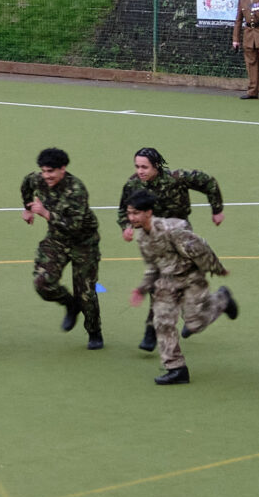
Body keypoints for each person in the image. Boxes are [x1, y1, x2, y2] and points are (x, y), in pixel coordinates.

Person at [115, 147, 225, 353]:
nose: (140, 171)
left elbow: (208, 182)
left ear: (156, 166)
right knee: (160, 281)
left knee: (185, 281)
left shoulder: (177, 178)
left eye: (144, 167)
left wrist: (217, 209)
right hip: (154, 238)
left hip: (181, 236)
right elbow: (123, 210)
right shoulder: (133, 184)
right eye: (137, 166)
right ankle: (152, 329)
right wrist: (126, 227)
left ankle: (212, 305)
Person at [126, 188, 235, 385]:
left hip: (190, 278)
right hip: (166, 281)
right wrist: (141, 289)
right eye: (129, 213)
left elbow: (200, 248)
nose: (131, 217)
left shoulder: (172, 230)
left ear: (148, 212)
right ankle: (176, 368)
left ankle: (222, 300)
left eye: (135, 213)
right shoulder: (142, 237)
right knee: (162, 321)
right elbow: (152, 266)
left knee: (195, 323)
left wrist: (217, 268)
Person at [21, 146, 102, 347]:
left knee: (86, 293)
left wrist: (45, 214)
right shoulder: (37, 179)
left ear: (62, 169)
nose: (46, 176)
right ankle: (69, 304)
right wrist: (27, 208)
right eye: (44, 171)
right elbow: (26, 185)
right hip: (57, 239)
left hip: (83, 242)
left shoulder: (76, 190)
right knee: (42, 283)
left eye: (51, 171)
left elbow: (74, 226)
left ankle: (94, 332)